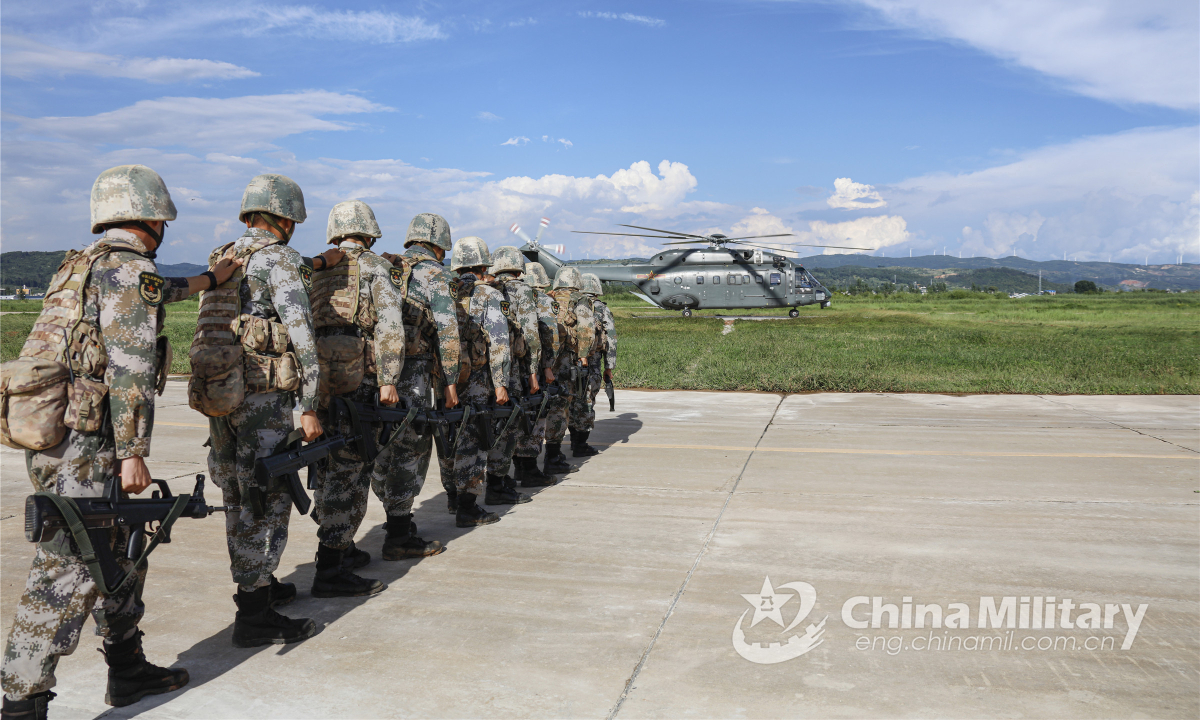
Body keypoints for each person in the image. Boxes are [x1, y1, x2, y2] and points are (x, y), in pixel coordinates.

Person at [1, 165, 241, 717]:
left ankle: (127, 669)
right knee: (66, 569)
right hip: (91, 446)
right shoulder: (129, 271)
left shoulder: (81, 265)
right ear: (153, 218)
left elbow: (155, 293)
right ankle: (21, 703)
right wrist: (133, 453)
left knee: (119, 551)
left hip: (58, 437)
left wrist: (209, 280)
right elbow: (131, 369)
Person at [193, 173, 322, 648]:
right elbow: (302, 335)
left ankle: (261, 585)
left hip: (222, 397)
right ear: (284, 219)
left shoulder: (223, 256)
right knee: (265, 499)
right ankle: (254, 614)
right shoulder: (278, 260)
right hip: (263, 402)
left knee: (237, 492)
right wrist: (309, 404)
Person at [307, 200, 408, 597]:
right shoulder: (374, 268)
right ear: (370, 233)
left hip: (317, 382)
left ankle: (343, 548)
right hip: (358, 384)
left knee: (327, 467)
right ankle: (331, 569)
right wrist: (389, 378)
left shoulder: (318, 267)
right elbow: (389, 323)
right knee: (352, 471)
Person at [374, 214, 463, 535]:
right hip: (413, 373)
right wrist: (450, 382)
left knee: (380, 443)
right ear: (440, 245)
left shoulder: (383, 265)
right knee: (411, 446)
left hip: (372, 369)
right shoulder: (435, 274)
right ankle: (398, 531)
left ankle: (388, 510)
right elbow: (447, 331)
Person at [438, 236, 513, 524]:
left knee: (448, 438)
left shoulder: (446, 289)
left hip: (446, 380)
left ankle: (452, 499)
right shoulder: (489, 295)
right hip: (478, 379)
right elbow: (499, 342)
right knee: (473, 439)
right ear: (484, 264)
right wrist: (501, 382)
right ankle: (468, 507)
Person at [483, 246, 551, 501]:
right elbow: (532, 335)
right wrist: (534, 372)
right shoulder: (521, 291)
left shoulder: (484, 287)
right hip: (511, 368)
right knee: (509, 424)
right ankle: (497, 485)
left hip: (482, 368)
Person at [542, 267, 595, 473]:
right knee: (560, 407)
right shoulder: (580, 300)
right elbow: (586, 330)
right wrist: (583, 357)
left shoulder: (548, 297)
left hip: (545, 361)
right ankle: (552, 457)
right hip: (565, 361)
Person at [516, 263, 561, 482]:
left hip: (509, 370)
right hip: (534, 369)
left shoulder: (505, 293)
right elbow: (549, 336)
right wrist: (548, 366)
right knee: (535, 418)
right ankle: (530, 470)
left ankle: (516, 468)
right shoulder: (542, 301)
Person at [571, 273, 615, 456]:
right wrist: (609, 367)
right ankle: (580, 445)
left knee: (571, 402)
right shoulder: (602, 309)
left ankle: (572, 440)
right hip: (592, 364)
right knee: (587, 402)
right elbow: (611, 340)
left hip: (569, 363)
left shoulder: (572, 304)